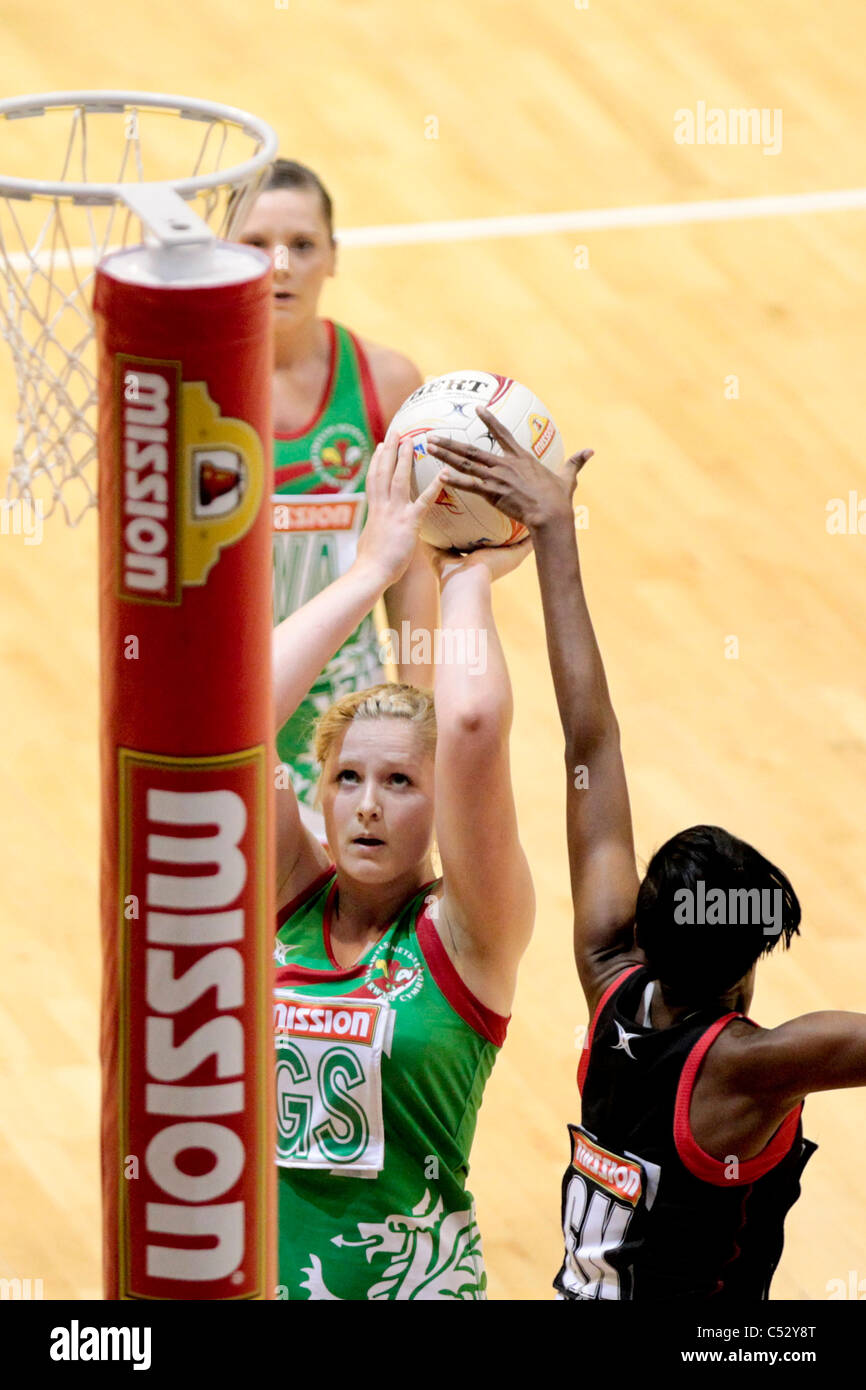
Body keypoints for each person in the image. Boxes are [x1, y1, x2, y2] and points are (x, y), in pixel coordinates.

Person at [428, 410, 866, 1301]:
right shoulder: (748, 1066)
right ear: (755, 951)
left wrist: (555, 530)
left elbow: (590, 744)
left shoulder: (609, 975)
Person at [271, 431, 535, 1299]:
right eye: (348, 777)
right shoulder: (283, 900)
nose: (370, 803)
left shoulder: (468, 932)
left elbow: (466, 729)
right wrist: (370, 571)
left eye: (399, 781)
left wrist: (464, 575)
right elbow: (220, 719)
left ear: (442, 802)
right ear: (322, 789)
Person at [237, 159, 437, 838]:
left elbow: (414, 569)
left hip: (348, 724)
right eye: (255, 245)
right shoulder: (186, 392)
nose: (280, 264)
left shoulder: (385, 381)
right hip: (236, 708)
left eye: (301, 244)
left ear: (333, 256)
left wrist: (419, 721)